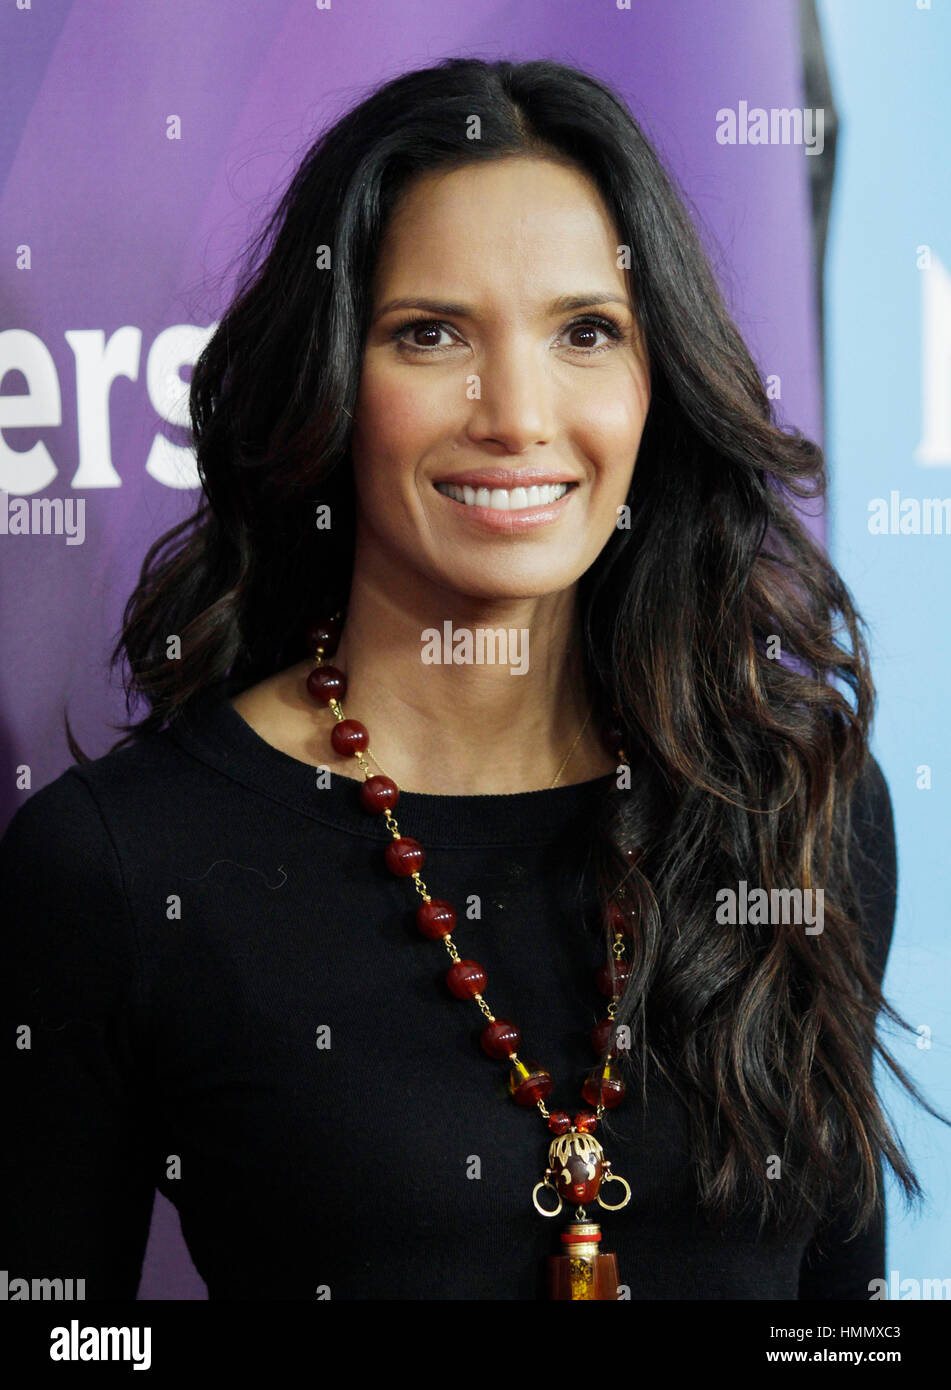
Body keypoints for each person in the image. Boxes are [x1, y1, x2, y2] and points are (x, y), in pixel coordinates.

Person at [0, 56, 933, 1301]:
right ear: (331, 379)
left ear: (660, 384)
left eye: (587, 331)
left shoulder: (795, 809)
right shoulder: (120, 867)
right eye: (431, 334)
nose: (517, 415)